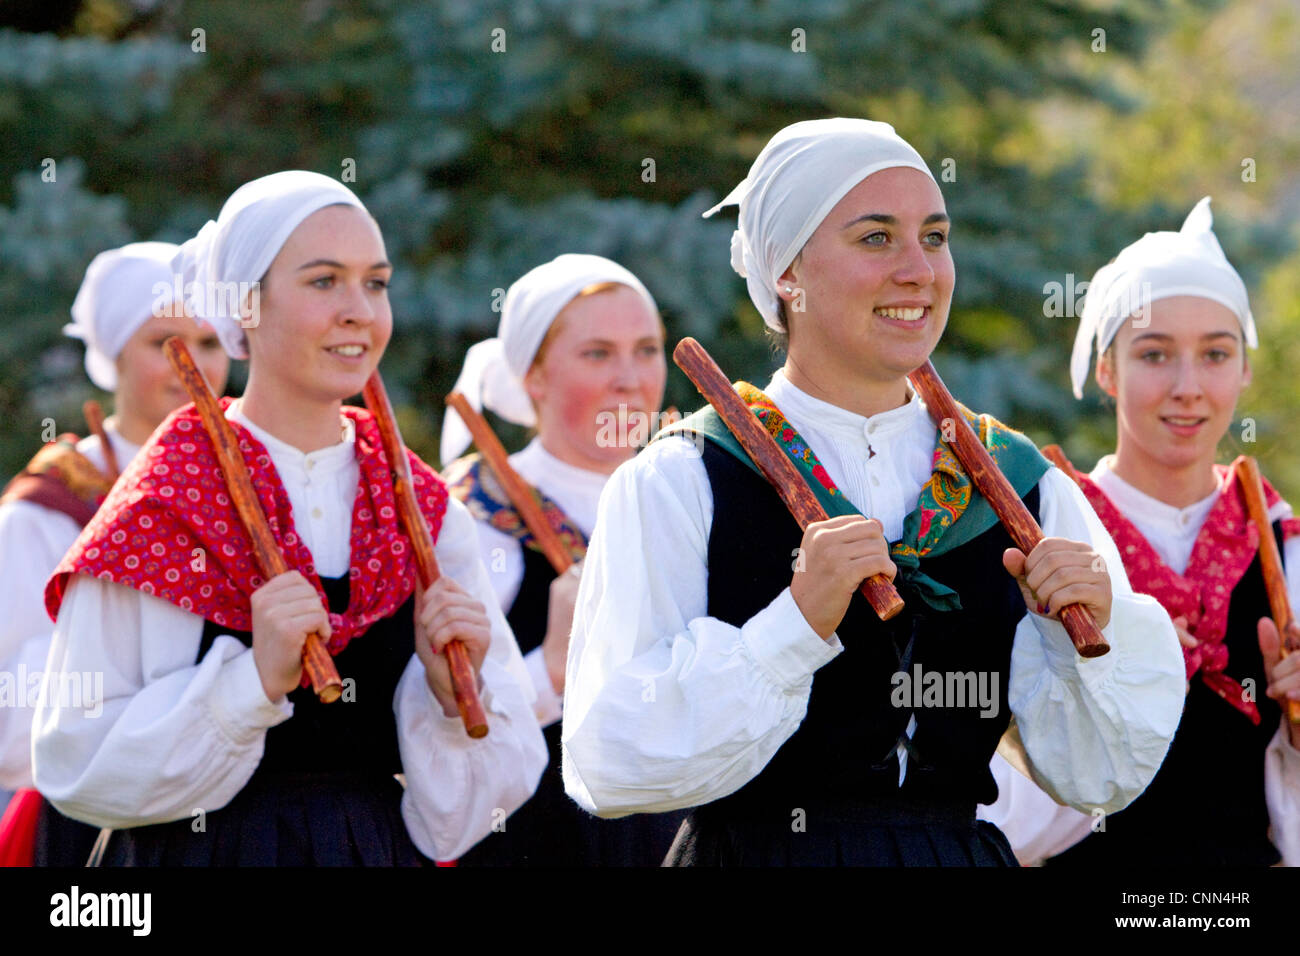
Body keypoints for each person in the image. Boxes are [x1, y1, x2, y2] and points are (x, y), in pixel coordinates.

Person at [560, 118, 1186, 866]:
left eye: (935, 235)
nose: (920, 270)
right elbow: (608, 762)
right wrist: (792, 626)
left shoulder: (1023, 485)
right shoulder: (684, 477)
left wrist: (1082, 633)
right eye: (876, 238)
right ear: (785, 271)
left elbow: (1102, 776)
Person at [32, 171, 547, 865]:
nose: (360, 310)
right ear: (245, 305)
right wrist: (251, 684)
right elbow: (76, 762)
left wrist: (452, 696)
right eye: (324, 281)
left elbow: (482, 805)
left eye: (376, 282)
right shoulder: (164, 503)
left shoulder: (419, 510)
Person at [981, 197, 1300, 866]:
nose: (1188, 387)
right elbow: (1000, 812)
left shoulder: (1282, 546)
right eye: (1154, 354)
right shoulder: (1046, 538)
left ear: (1244, 368)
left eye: (1216, 354)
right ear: (1107, 370)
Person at [441, 253, 685, 865]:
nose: (630, 378)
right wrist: (552, 668)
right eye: (598, 353)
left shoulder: (686, 495)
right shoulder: (470, 514)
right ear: (535, 378)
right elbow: (434, 734)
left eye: (647, 349)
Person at [0, 242, 230, 866]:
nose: (194, 365)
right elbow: (9, 723)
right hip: (90, 823)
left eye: (208, 342)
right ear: (114, 356)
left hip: (244, 821)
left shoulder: (255, 492)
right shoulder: (47, 511)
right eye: (163, 343)